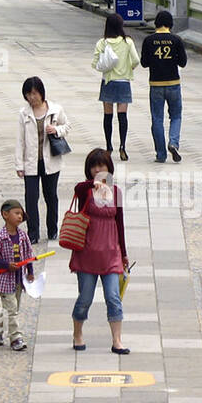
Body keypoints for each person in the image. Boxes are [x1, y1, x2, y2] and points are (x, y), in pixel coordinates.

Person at [70, 149, 129, 354]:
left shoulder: (116, 192)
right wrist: (93, 183)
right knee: (85, 298)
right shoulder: (86, 190)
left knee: (113, 296)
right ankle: (78, 334)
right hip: (88, 251)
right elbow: (77, 188)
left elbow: (120, 223)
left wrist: (124, 253)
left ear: (108, 167)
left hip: (111, 251)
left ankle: (117, 340)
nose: (97, 169)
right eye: (94, 166)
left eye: (101, 165)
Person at [15, 76, 68, 245]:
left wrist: (57, 130)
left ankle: (52, 229)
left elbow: (67, 126)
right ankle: (33, 233)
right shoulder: (23, 114)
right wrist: (19, 164)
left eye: (34, 93)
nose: (32, 98)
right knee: (31, 197)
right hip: (31, 161)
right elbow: (20, 140)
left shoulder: (55, 109)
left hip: (50, 160)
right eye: (28, 94)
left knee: (50, 195)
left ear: (41, 93)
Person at [0, 198, 36, 351]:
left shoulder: (23, 236)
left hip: (18, 279)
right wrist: (7, 265)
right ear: (5, 215)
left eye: (21, 214)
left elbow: (29, 254)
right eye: (16, 213)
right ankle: (16, 337)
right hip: (5, 279)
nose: (20, 217)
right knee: (12, 309)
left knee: (11, 309)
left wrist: (30, 271)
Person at [141, 9, 187, 163]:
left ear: (156, 23)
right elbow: (183, 62)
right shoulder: (176, 40)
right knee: (176, 116)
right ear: (170, 24)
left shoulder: (149, 40)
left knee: (157, 118)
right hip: (173, 83)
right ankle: (173, 143)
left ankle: (161, 154)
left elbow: (144, 63)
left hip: (156, 84)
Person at [93, 12, 140, 161]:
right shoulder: (128, 42)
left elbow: (95, 63)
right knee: (122, 116)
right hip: (123, 82)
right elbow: (136, 60)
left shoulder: (102, 43)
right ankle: (123, 146)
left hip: (108, 81)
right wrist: (128, 68)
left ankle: (108, 146)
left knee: (108, 116)